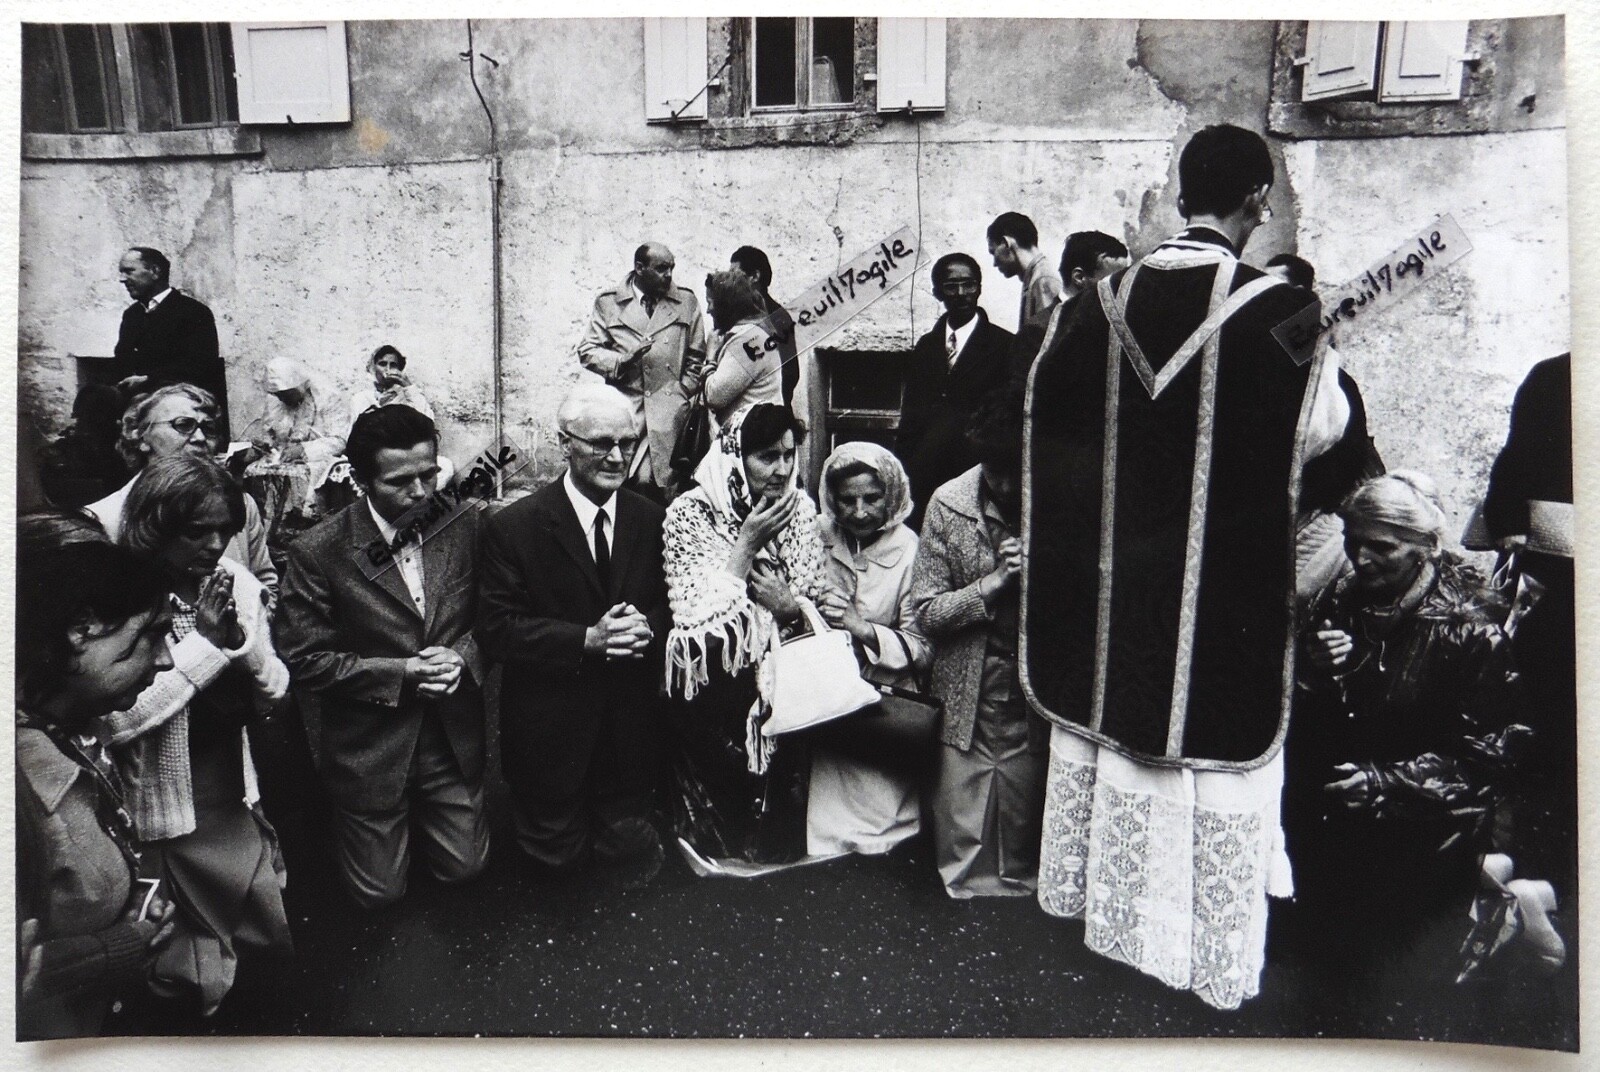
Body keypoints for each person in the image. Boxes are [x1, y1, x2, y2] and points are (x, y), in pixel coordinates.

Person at [1022, 124, 1348, 1009]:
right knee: (1210, 758)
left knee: (1118, 736)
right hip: (1218, 597)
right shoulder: (1288, 312)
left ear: (1178, 194)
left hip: (1114, 593)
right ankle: (1199, 952)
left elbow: (1049, 433)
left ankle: (1113, 925)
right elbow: (1321, 433)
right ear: (1257, 200)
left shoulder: (1088, 307)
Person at [1287, 472, 1536, 972]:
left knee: (1384, 968)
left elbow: (1487, 760)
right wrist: (1316, 666)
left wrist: (1387, 781)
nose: (1360, 559)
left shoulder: (1471, 631)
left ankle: (1507, 901)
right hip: (1342, 812)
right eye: (1352, 541)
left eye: (1382, 547)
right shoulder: (1343, 597)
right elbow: (1320, 717)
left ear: (1425, 546)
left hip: (1424, 829)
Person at [275, 405, 490, 908]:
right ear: (360, 481)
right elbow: (303, 659)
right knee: (379, 894)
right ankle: (365, 821)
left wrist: (462, 657)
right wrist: (403, 673)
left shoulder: (465, 523)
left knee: (466, 869)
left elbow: (495, 616)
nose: (421, 493)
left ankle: (421, 819)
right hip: (370, 745)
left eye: (429, 474)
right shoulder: (317, 551)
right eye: (400, 482)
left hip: (449, 736)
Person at [105, 453, 292, 1015]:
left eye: (224, 530)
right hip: (163, 799)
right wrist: (206, 649)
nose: (214, 545)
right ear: (155, 525)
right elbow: (119, 720)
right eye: (195, 532)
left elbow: (271, 687)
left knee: (258, 914)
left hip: (228, 779)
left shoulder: (235, 581)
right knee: (183, 953)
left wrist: (249, 653)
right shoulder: (121, 594)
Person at [478, 384, 669, 878]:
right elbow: (498, 629)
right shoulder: (514, 527)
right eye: (601, 443)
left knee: (626, 861)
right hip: (551, 734)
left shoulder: (651, 518)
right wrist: (587, 640)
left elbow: (671, 604)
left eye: (627, 443)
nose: (617, 457)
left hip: (628, 731)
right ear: (564, 443)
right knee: (555, 868)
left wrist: (647, 628)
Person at [16, 514, 179, 1039]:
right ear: (81, 629)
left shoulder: (65, 729)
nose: (167, 660)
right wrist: (118, 947)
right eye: (152, 635)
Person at [662, 403, 824, 874]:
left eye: (789, 455)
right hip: (714, 691)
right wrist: (747, 544)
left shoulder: (800, 509)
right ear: (736, 455)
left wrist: (787, 607)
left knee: (777, 829)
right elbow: (693, 623)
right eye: (767, 457)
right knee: (719, 824)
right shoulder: (690, 514)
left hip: (782, 684)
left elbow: (809, 601)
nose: (782, 469)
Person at [910, 389, 1045, 898]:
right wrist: (990, 585)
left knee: (1024, 800)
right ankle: (963, 890)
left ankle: (1023, 883)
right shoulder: (948, 504)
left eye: (1016, 471)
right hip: (967, 686)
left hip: (1031, 690)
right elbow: (926, 613)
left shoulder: (1056, 500)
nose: (1006, 485)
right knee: (962, 806)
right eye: (995, 472)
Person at [808, 441, 932, 856]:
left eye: (872, 498)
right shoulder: (817, 537)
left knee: (883, 826)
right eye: (847, 500)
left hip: (884, 706)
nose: (859, 512)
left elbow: (923, 647)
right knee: (829, 827)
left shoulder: (910, 550)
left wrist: (860, 627)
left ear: (891, 495)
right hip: (830, 702)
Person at [1262, 252, 1386, 604]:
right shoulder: (1257, 365)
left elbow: (1350, 454)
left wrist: (1306, 497)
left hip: (1312, 513)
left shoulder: (1334, 379)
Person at [87, 383, 277, 595]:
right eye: (183, 425)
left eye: (209, 429)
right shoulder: (103, 518)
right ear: (141, 436)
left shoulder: (240, 504)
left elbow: (266, 585)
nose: (200, 438)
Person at [576, 242, 710, 500]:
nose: (669, 275)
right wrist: (622, 360)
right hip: (626, 410)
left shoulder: (686, 302)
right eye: (661, 269)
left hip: (669, 412)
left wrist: (682, 390)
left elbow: (696, 355)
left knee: (658, 485)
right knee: (620, 485)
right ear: (639, 268)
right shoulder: (609, 303)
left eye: (671, 268)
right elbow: (588, 351)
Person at [895, 253, 1015, 530]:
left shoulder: (1004, 345)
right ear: (937, 292)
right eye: (951, 286)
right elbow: (909, 420)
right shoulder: (926, 347)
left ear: (979, 288)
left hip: (976, 481)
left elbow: (1005, 422)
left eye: (968, 284)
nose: (961, 293)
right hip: (925, 481)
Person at [114, 246, 229, 441]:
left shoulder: (193, 312)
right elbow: (122, 358)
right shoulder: (132, 315)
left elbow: (201, 365)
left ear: (155, 271)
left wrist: (148, 380)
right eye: (122, 272)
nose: (122, 279)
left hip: (182, 411)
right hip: (140, 411)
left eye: (129, 271)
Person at [1010, 231, 1128, 386]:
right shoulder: (1037, 331)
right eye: (1113, 283)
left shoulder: (1110, 324)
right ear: (1079, 277)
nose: (1121, 290)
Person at [702, 269, 785, 426]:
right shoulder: (754, 333)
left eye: (710, 302)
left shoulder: (746, 340)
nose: (708, 310)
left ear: (725, 306)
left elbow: (714, 396)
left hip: (753, 435)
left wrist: (710, 357)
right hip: (757, 430)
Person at [39, 383, 131, 509]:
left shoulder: (122, 451)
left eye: (90, 420)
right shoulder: (66, 449)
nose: (83, 425)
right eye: (82, 419)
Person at [731, 245, 799, 407]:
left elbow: (790, 372)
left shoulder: (778, 318)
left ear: (755, 276)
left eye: (735, 275)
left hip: (763, 411)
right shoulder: (736, 313)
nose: (730, 282)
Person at [987, 212, 1062, 331]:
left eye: (993, 252)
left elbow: (1047, 337)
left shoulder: (1043, 279)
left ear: (1005, 243)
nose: (994, 264)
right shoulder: (1037, 276)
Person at [349, 344, 435, 426]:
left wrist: (408, 386)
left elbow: (427, 422)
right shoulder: (361, 399)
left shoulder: (406, 398)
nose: (388, 369)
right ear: (373, 367)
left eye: (393, 365)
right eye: (382, 364)